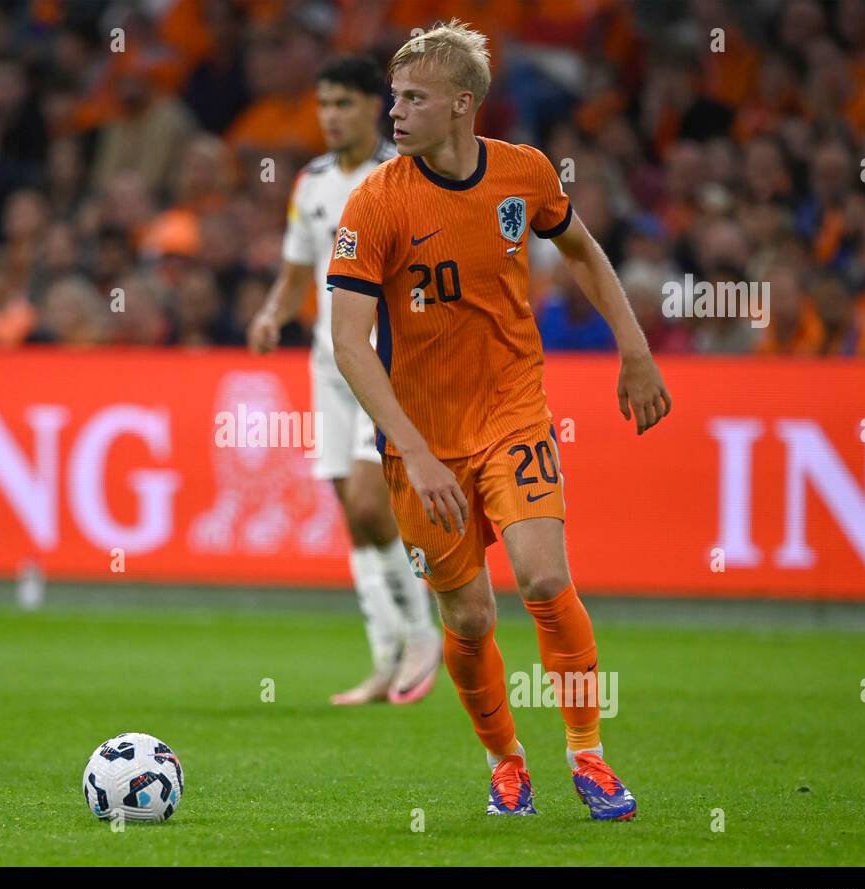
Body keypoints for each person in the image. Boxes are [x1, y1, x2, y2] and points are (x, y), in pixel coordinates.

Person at [329, 21, 672, 820]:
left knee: (547, 581)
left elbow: (582, 250)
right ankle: (505, 761)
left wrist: (635, 348)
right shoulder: (375, 202)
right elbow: (349, 343)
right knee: (472, 616)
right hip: (423, 439)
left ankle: (588, 754)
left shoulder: (524, 175)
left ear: (462, 105)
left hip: (514, 414)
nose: (395, 112)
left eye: (413, 98)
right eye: (393, 96)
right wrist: (413, 452)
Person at [248, 55, 442, 707]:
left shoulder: (404, 174)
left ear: (372, 105)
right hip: (327, 362)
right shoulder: (310, 182)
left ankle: (423, 634)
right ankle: (385, 658)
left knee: (369, 502)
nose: (330, 116)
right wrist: (275, 312)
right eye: (322, 104)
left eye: (343, 104)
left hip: (384, 359)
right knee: (350, 516)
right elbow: (296, 270)